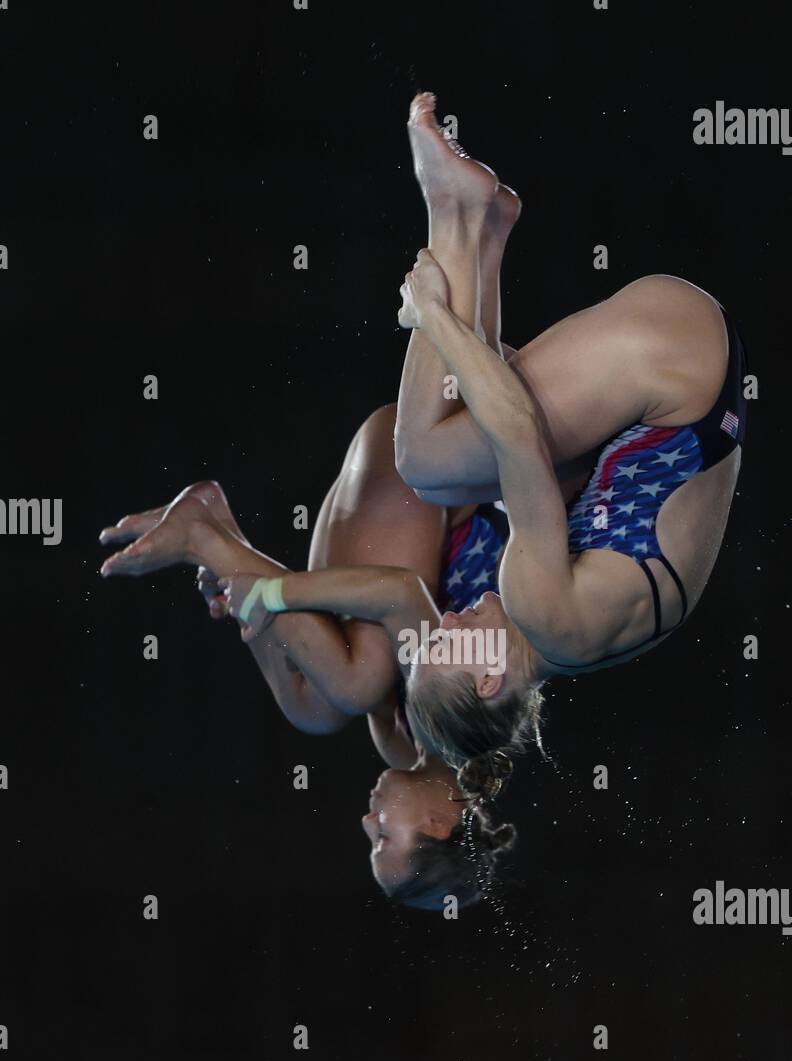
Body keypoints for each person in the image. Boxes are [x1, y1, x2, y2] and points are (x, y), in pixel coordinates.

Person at [222, 92, 749, 775]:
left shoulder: (568, 642)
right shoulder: (538, 610)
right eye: (447, 646)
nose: (448, 622)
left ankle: (484, 229)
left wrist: (271, 594)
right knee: (424, 459)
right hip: (670, 367)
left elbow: (507, 440)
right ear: (488, 678)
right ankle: (449, 215)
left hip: (692, 374)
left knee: (469, 464)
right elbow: (516, 427)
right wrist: (430, 315)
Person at [99, 402, 516, 910]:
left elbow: (330, 645)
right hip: (420, 458)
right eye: (383, 838)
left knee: (315, 709)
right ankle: (205, 538)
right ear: (437, 825)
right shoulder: (469, 727)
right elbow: (402, 594)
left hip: (387, 491)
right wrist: (272, 596)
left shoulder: (402, 748)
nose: (366, 822)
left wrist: (243, 606)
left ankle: (218, 536)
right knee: (356, 684)